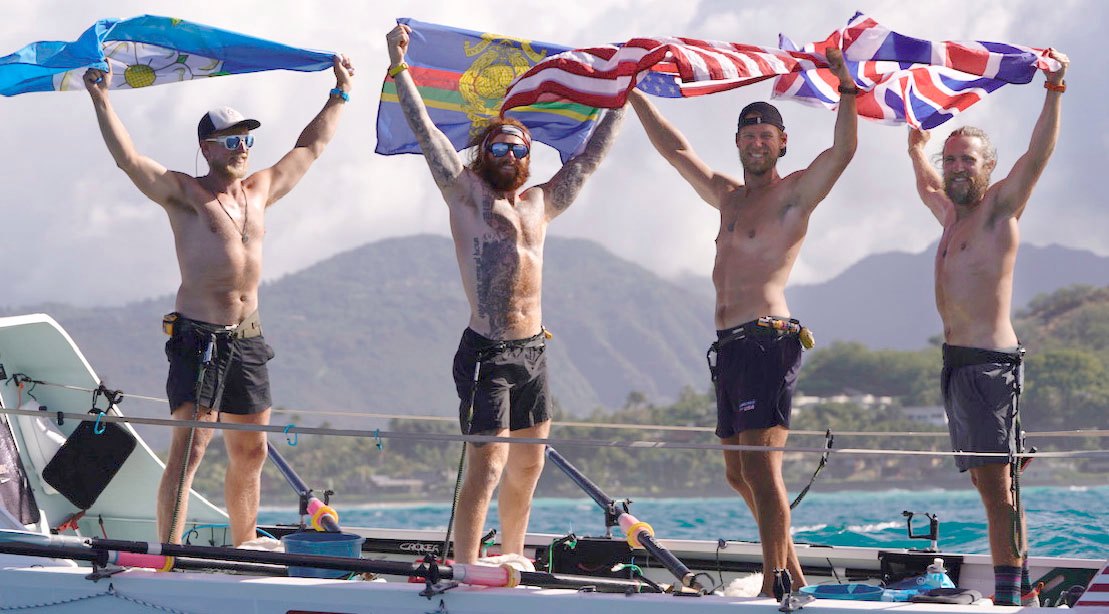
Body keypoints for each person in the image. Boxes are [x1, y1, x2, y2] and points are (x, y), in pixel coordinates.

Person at [83, 55, 355, 545]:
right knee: (189, 453)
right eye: (231, 140)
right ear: (206, 148)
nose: (242, 148)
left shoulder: (261, 189)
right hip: (199, 339)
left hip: (247, 337)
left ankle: (245, 543)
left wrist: (339, 92)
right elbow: (129, 160)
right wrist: (101, 98)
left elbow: (310, 148)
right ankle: (169, 553)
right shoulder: (185, 194)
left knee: (251, 451)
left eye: (247, 139)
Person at [384, 24, 624, 564]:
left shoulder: (541, 202)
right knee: (487, 464)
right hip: (487, 351)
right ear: (485, 151)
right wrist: (399, 66)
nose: (509, 153)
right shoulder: (466, 196)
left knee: (529, 463)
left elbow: (587, 161)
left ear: (528, 155)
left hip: (533, 350)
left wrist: (621, 96)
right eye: (499, 145)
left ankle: (513, 554)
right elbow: (428, 136)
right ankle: (467, 565)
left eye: (518, 146)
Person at [627, 49, 858, 596]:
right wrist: (632, 93)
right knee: (738, 473)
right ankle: (794, 575)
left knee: (760, 467)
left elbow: (844, 150)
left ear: (782, 144)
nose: (756, 142)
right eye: (747, 134)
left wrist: (847, 88)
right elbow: (676, 150)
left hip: (766, 342)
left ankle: (776, 584)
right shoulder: (728, 198)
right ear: (738, 143)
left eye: (766, 134)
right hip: (728, 348)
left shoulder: (793, 195)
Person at [907, 49, 1068, 607]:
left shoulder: (1000, 210)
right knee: (985, 483)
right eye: (950, 160)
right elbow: (927, 185)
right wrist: (914, 150)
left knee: (1000, 491)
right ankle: (1018, 586)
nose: (955, 168)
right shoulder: (950, 215)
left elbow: (1039, 153)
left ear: (988, 168)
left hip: (991, 367)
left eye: (966, 160)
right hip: (956, 367)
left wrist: (1054, 91)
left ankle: (1010, 599)